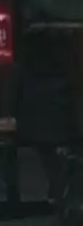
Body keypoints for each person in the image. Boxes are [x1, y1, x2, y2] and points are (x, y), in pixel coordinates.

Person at [13, 32, 79, 206]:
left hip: (36, 124)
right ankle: (60, 192)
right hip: (58, 126)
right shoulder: (61, 70)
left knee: (51, 160)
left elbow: (16, 94)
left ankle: (57, 192)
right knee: (58, 161)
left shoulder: (27, 68)